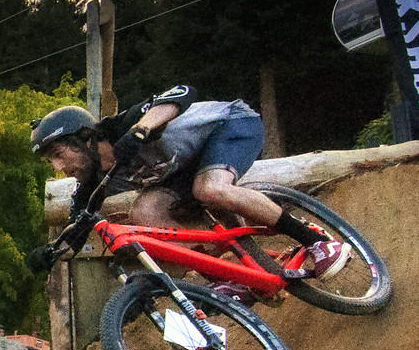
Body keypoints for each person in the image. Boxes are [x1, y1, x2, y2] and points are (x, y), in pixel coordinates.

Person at [29, 92, 348, 279]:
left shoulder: (120, 129)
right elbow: (78, 226)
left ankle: (317, 240)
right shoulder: (90, 183)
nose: (58, 168)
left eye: (59, 155)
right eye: (51, 162)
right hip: (187, 171)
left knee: (210, 189)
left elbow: (182, 93)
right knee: (146, 211)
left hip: (230, 125)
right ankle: (226, 276)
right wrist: (51, 255)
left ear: (86, 139)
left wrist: (142, 129)